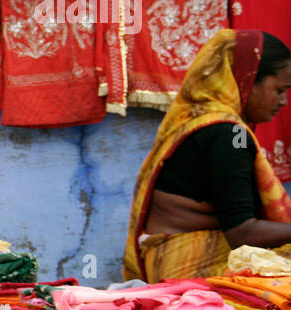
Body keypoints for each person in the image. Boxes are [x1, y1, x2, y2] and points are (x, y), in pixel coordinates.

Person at [124, 29, 291, 283]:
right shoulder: (227, 134)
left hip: (168, 261)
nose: (283, 101)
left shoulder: (200, 121)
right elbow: (242, 233)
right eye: (279, 90)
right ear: (248, 79)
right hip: (190, 270)